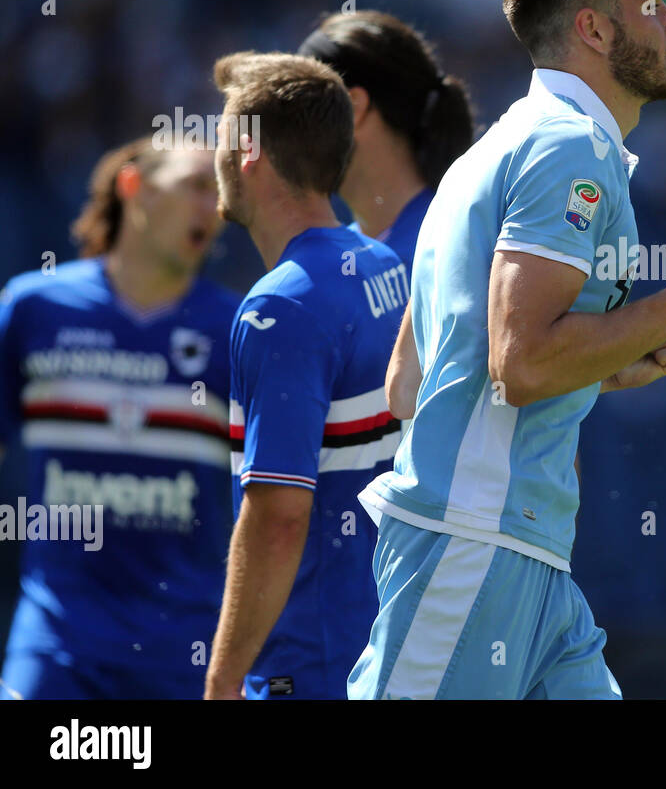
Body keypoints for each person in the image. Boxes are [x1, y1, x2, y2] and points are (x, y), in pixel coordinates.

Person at [349, 0, 666, 700]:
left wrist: (601, 363)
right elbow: (522, 361)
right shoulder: (569, 146)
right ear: (595, 29)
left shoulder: (496, 150)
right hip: (473, 548)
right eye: (652, 4)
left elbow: (415, 381)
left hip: (521, 555)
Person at [0, 137, 237, 698]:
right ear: (135, 187)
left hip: (188, 653)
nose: (215, 209)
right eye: (199, 186)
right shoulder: (34, 309)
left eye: (224, 196)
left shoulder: (237, 328)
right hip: (57, 645)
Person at [202, 52, 406, 699]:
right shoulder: (382, 263)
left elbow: (278, 520)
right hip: (398, 644)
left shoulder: (280, 306)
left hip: (316, 667)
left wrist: (224, 679)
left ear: (248, 154)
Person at [297, 9, 475, 267]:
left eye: (303, 107)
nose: (290, 129)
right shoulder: (338, 259)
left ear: (353, 107)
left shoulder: (453, 249)